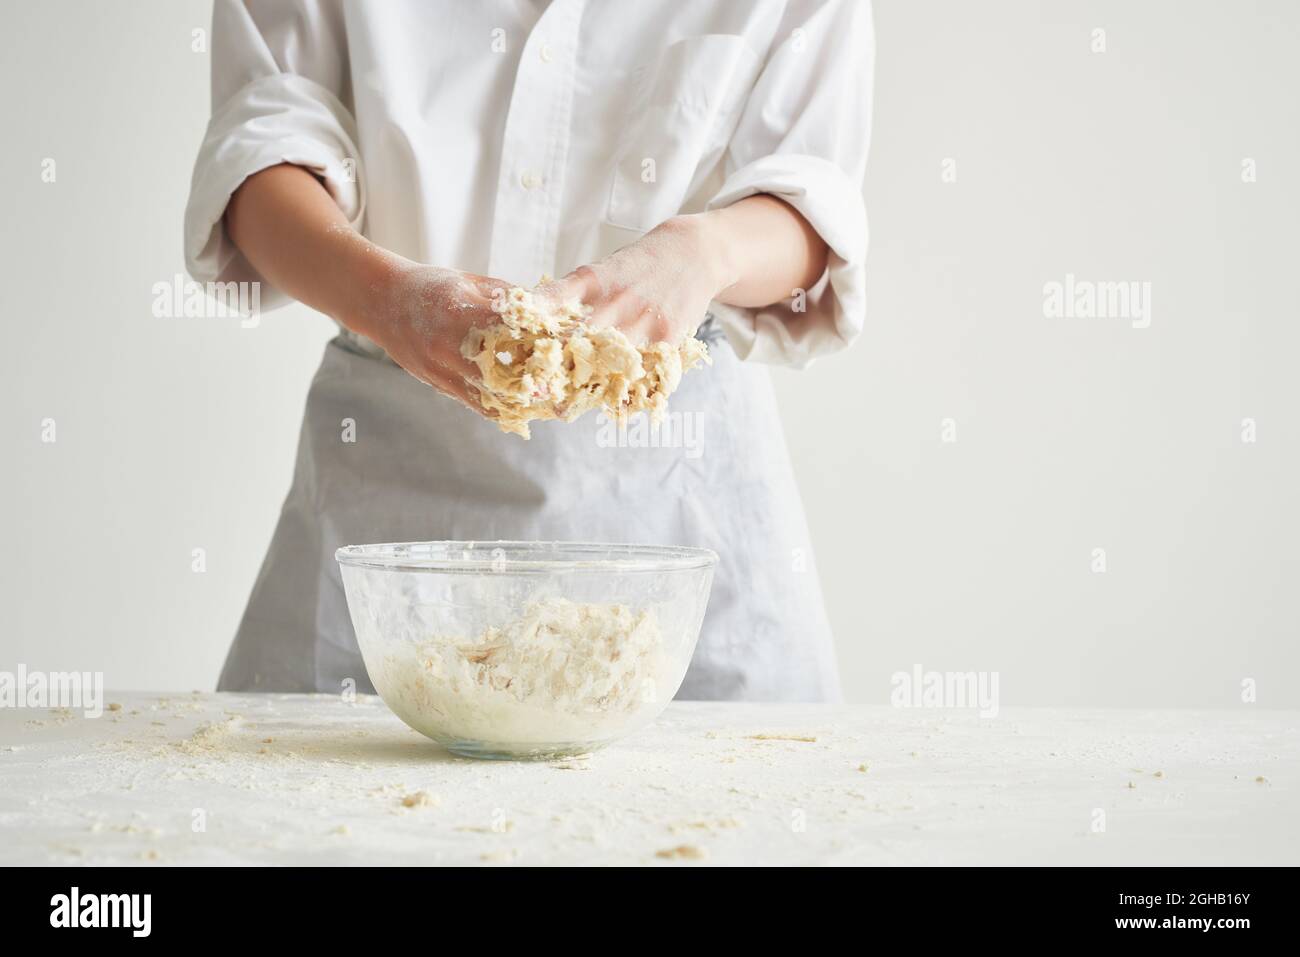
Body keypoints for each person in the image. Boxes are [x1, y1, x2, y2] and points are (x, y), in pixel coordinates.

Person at [184, 0, 873, 700]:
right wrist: (389, 300)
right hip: (388, 487)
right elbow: (258, 147)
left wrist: (703, 252)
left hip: (681, 487)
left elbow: (811, 190)